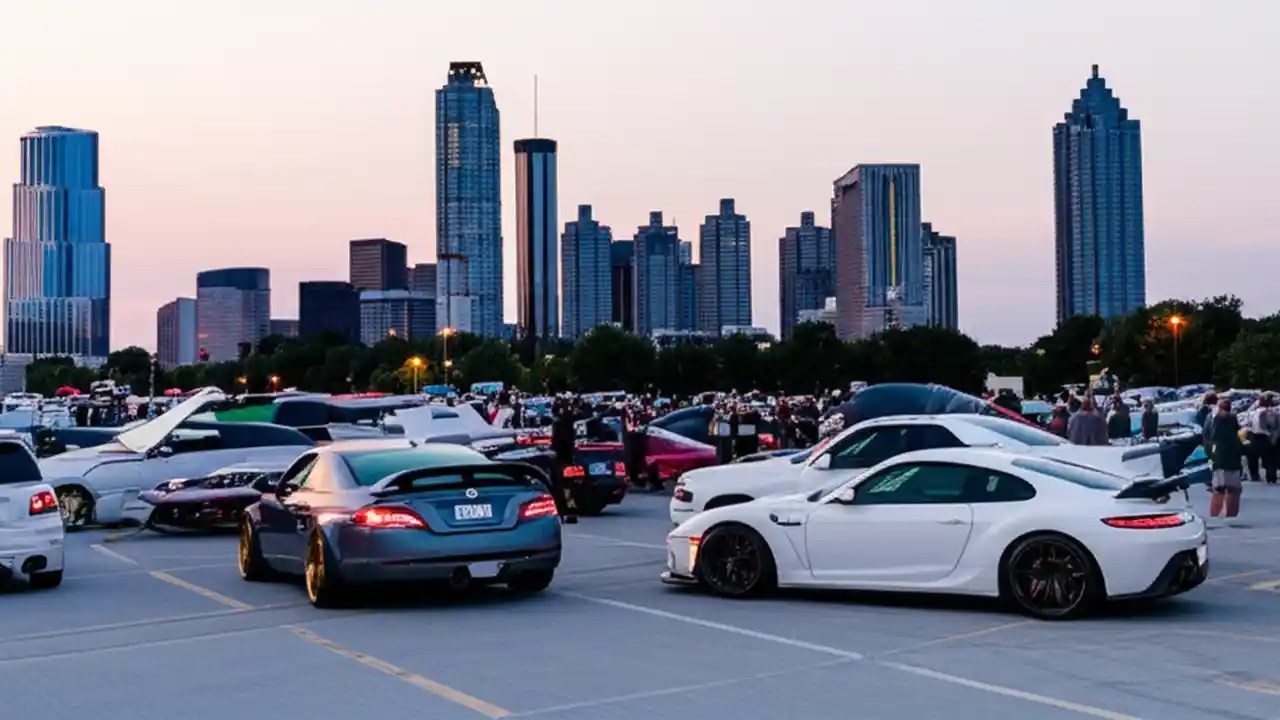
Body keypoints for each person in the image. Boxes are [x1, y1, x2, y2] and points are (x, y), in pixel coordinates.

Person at [1207, 398, 1244, 525]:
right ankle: (1231, 516)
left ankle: (1214, 517)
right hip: (1232, 458)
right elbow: (1237, 438)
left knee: (1218, 489)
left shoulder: (1213, 418)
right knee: (1234, 489)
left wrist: (1211, 456)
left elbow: (1209, 437)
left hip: (1218, 457)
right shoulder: (1232, 418)